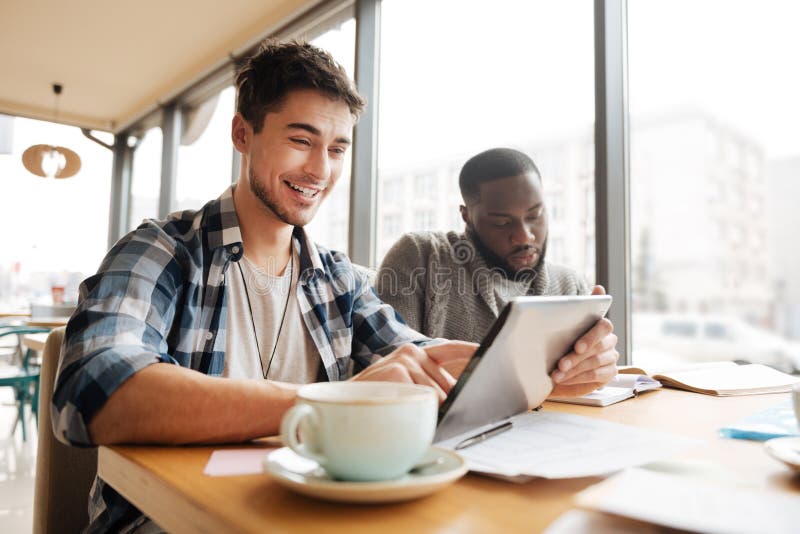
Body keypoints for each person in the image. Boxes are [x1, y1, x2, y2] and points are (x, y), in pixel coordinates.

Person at [52, 42, 614, 532]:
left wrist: (552, 369)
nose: (320, 168)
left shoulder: (336, 278)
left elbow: (419, 362)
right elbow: (92, 391)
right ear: (242, 133)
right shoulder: (163, 250)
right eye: (302, 139)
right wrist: (331, 403)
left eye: (338, 148)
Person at [376, 147, 618, 387]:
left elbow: (583, 382)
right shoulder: (421, 257)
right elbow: (393, 372)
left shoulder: (570, 285)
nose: (524, 237)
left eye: (535, 216)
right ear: (467, 216)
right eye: (502, 222)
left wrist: (596, 365)